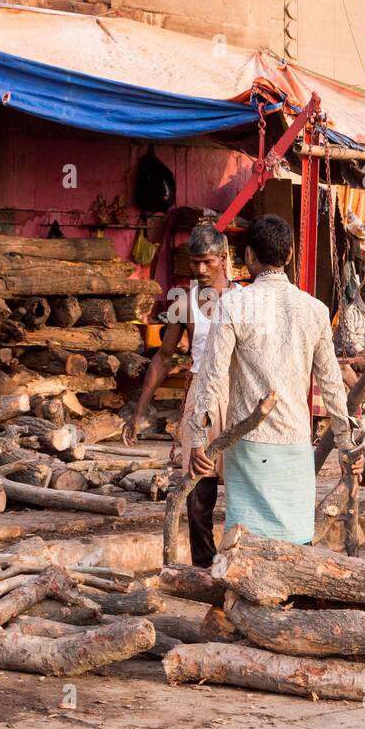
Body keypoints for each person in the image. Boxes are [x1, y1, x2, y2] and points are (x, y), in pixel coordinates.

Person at [187, 214, 358, 544]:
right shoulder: (315, 309)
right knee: (295, 542)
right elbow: (332, 384)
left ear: (248, 255)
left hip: (249, 444)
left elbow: (211, 376)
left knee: (245, 544)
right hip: (295, 442)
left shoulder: (233, 304)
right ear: (290, 255)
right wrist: (345, 443)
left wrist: (198, 436)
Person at [125, 224, 238, 566]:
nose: (201, 270)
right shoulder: (184, 302)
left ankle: (240, 561)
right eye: (195, 263)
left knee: (239, 480)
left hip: (236, 395)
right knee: (197, 485)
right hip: (199, 396)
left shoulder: (242, 297)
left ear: (222, 258)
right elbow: (163, 356)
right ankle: (203, 564)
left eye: (207, 262)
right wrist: (139, 410)